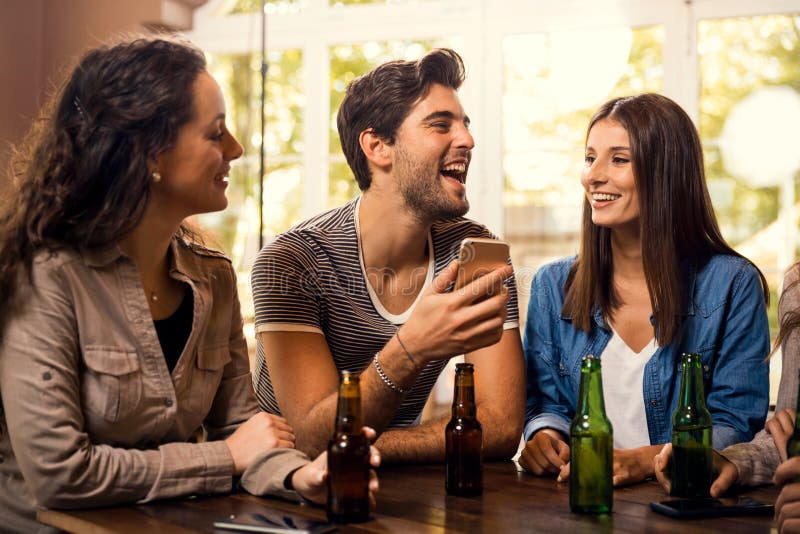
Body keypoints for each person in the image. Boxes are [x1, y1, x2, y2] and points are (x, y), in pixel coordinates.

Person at [0, 35, 378, 533]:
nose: (236, 149)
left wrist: (301, 476)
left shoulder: (213, 277)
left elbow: (243, 431)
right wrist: (224, 458)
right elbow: (59, 474)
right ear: (150, 154)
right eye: (216, 133)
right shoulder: (47, 277)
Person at [250, 48, 525, 462]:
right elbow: (311, 439)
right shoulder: (293, 261)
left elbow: (501, 427)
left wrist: (362, 446)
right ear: (378, 147)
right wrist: (413, 346)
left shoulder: (472, 251)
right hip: (286, 489)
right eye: (441, 125)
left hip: (395, 484)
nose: (467, 140)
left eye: (465, 125)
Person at [519, 93, 770, 487]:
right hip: (578, 502)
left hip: (683, 504)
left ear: (667, 173)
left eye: (619, 159)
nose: (593, 175)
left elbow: (735, 423)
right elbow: (546, 404)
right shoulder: (552, 285)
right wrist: (544, 435)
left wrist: (645, 461)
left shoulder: (733, 284)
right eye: (590, 158)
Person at [653, 263, 800, 533]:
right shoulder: (797, 287)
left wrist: (644, 458)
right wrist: (735, 460)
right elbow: (786, 437)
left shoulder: (736, 281)